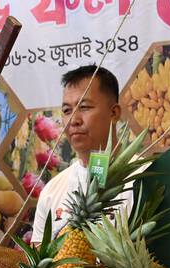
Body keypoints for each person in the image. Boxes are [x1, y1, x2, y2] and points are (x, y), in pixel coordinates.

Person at [31, 65, 131, 237]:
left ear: (114, 113)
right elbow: (39, 258)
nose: (73, 120)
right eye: (67, 111)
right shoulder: (51, 192)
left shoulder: (146, 179)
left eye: (84, 107)